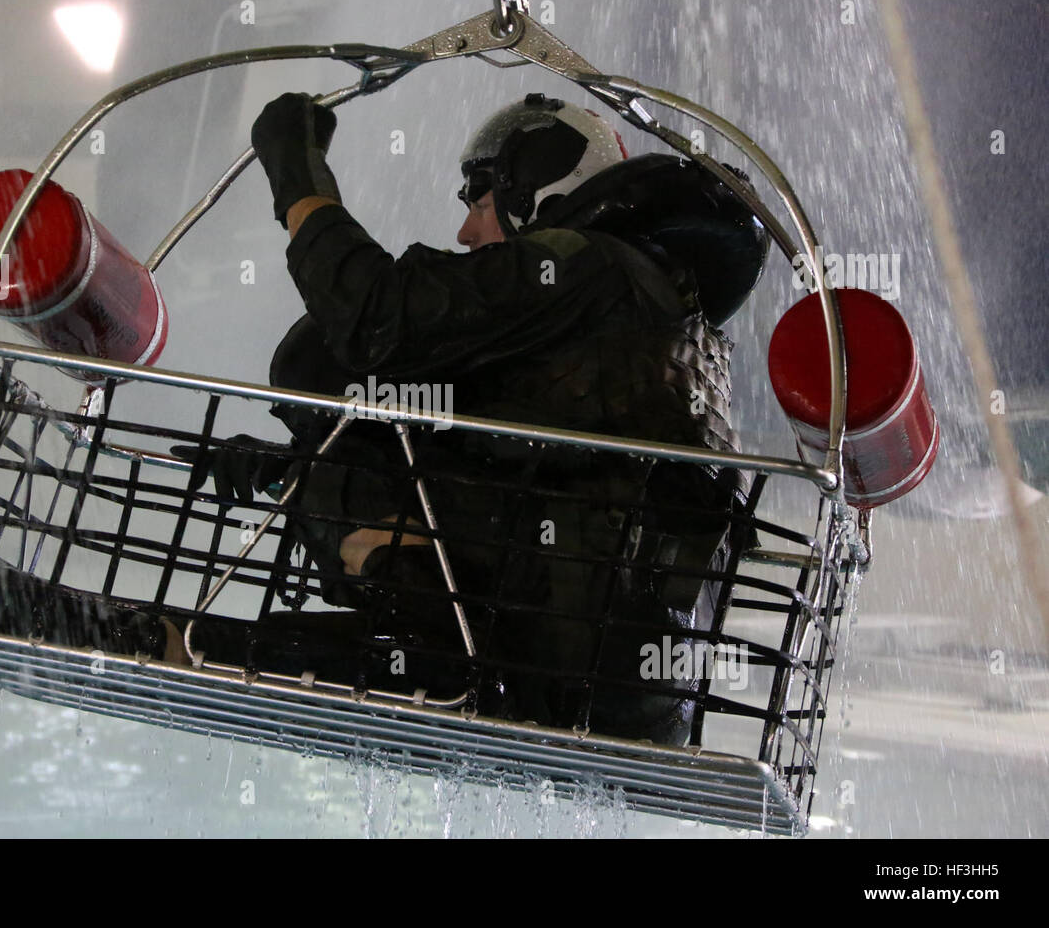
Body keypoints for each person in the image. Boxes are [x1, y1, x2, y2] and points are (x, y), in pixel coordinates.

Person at [166, 91, 769, 744]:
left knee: (328, 422)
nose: (466, 232)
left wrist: (294, 167)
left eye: (479, 202)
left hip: (541, 660)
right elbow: (503, 460)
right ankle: (211, 645)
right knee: (335, 458)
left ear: (532, 190)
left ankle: (427, 657)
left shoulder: (578, 267)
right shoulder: (665, 327)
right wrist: (286, 467)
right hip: (637, 698)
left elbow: (373, 317)